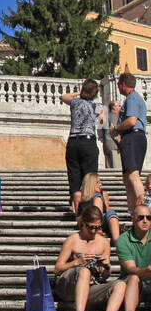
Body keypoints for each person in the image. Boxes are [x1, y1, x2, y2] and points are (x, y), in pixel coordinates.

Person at [53, 203, 127, 311]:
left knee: (121, 284)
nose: (93, 231)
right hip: (68, 286)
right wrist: (76, 262)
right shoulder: (73, 240)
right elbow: (57, 269)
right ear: (83, 223)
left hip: (91, 286)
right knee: (84, 272)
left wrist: (107, 266)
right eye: (90, 227)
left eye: (97, 228)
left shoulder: (104, 243)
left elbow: (104, 276)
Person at [61, 80, 103, 213]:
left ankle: (75, 208)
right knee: (89, 176)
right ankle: (89, 207)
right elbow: (104, 121)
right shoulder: (97, 106)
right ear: (95, 93)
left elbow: (63, 97)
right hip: (88, 141)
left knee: (74, 176)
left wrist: (80, 92)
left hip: (73, 141)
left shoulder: (75, 102)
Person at [110, 72, 148, 213]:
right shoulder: (136, 98)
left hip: (133, 137)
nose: (119, 88)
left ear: (123, 84)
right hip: (135, 138)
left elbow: (131, 121)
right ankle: (133, 211)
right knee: (127, 177)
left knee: (132, 174)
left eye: (119, 85)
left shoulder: (132, 98)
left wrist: (116, 129)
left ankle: (142, 208)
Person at [116, 202, 151, 311]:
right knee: (134, 277)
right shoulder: (123, 239)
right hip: (132, 283)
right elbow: (130, 268)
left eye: (149, 217)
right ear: (133, 219)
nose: (145, 221)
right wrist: (147, 270)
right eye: (141, 217)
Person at [77, 172, 120, 242]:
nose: (100, 184)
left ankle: (117, 241)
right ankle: (116, 241)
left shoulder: (102, 195)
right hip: (89, 223)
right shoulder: (83, 197)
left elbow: (108, 214)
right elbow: (78, 218)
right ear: (91, 184)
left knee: (111, 213)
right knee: (98, 198)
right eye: (98, 182)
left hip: (101, 223)